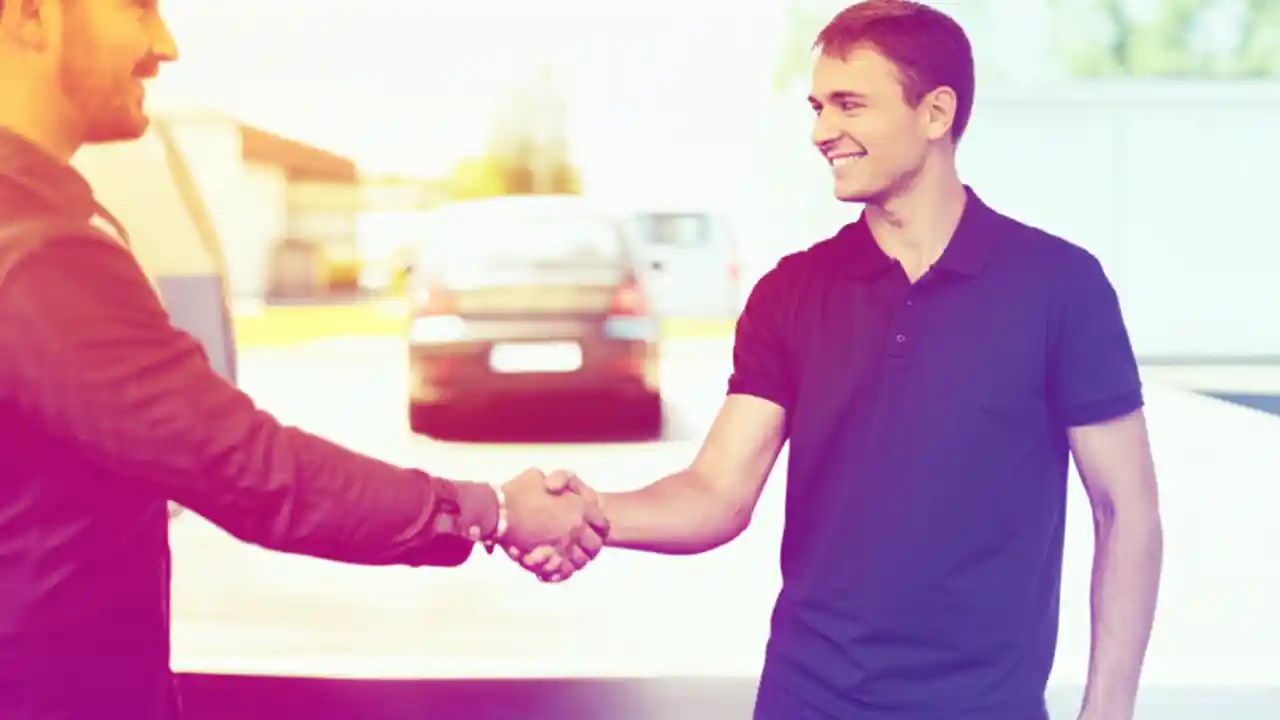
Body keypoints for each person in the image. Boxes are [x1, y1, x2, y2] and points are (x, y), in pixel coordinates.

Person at [520, 2, 1164, 719]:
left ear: (936, 112)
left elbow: (1125, 510)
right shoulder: (791, 293)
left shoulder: (1058, 287)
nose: (822, 131)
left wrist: (1108, 709)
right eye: (818, 106)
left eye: (850, 104)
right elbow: (717, 493)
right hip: (810, 699)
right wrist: (591, 513)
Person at [0, 1, 606, 718]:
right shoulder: (37, 247)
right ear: (30, 13)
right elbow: (249, 469)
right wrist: (495, 511)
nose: (164, 44)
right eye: (137, 6)